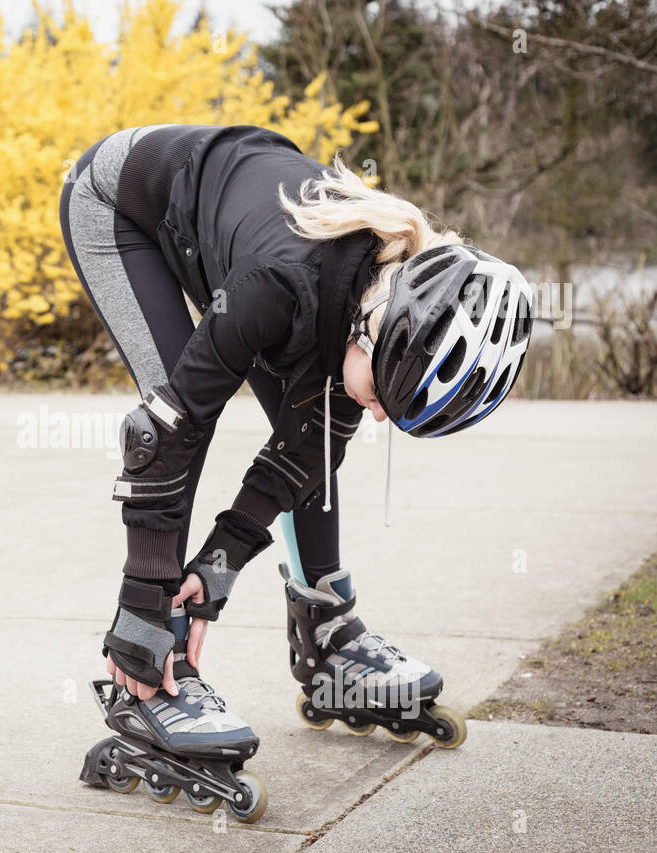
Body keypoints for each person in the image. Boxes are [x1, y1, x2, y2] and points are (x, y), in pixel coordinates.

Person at [64, 125, 532, 815]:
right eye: (384, 394)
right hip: (119, 203)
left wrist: (217, 567)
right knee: (177, 409)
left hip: (233, 233)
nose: (377, 416)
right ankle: (150, 664)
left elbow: (304, 454)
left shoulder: (379, 287)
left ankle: (328, 638)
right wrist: (148, 593)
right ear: (373, 327)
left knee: (314, 429)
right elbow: (161, 435)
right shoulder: (279, 285)